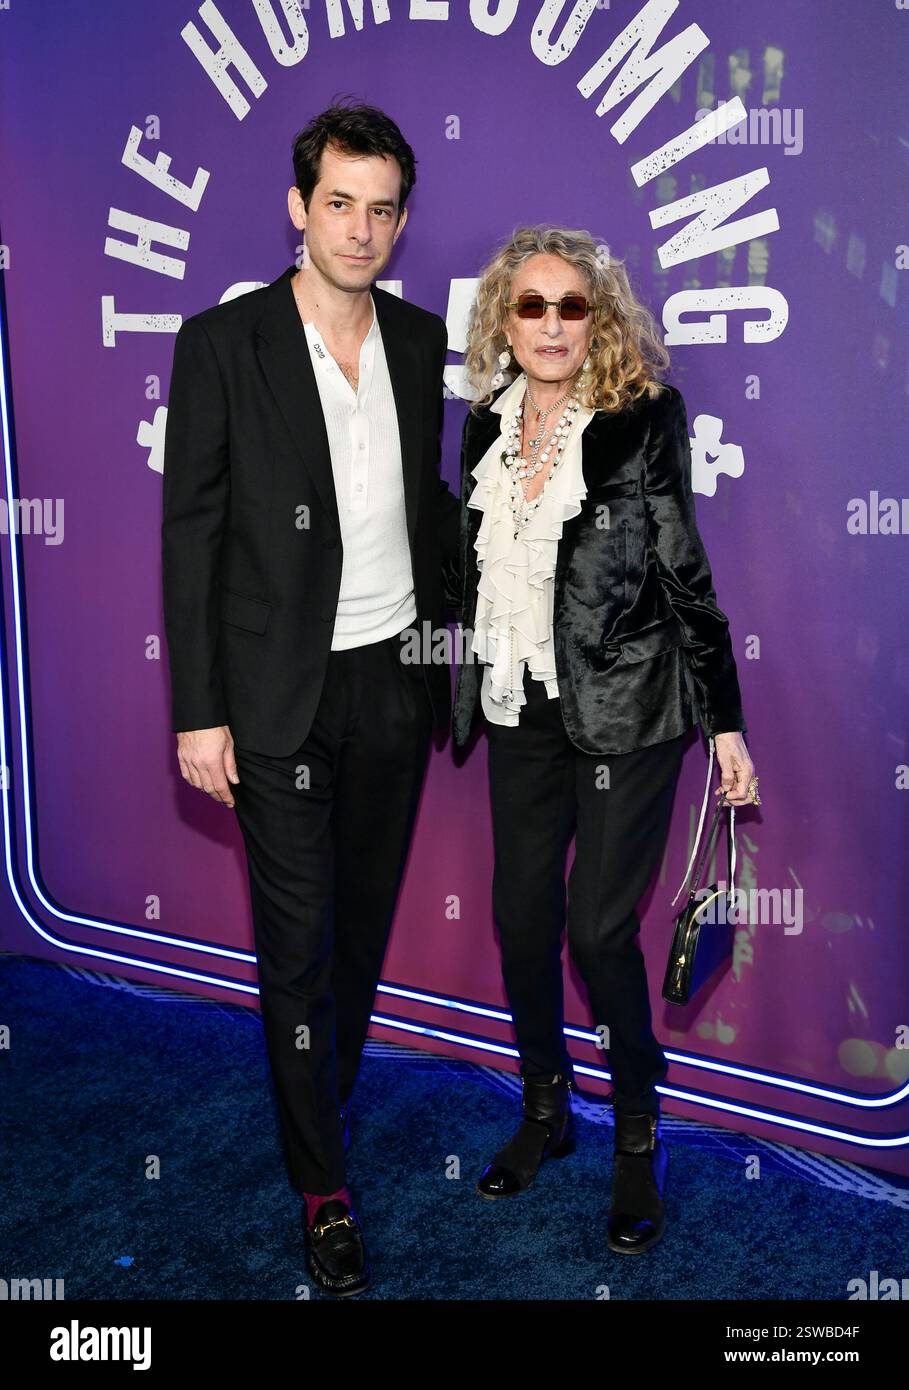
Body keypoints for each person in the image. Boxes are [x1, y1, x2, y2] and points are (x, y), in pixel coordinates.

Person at [161, 100, 459, 1296]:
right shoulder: (221, 345)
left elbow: (439, 512)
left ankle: (315, 1095)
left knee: (360, 927)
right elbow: (191, 537)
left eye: (383, 209)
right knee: (295, 950)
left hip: (393, 679)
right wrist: (199, 708)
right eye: (339, 203)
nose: (361, 229)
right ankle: (323, 1190)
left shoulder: (426, 339)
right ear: (298, 207)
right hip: (275, 695)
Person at [451, 225, 757, 1255]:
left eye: (570, 306)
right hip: (520, 704)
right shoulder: (482, 425)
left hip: (628, 712)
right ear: (504, 317)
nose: (549, 324)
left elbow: (685, 571)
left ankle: (635, 1138)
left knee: (597, 930)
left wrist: (725, 721)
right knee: (520, 918)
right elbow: (478, 571)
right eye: (529, 306)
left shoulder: (641, 419)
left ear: (600, 319)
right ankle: (546, 1111)